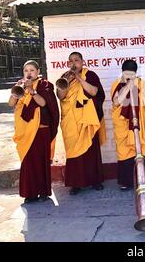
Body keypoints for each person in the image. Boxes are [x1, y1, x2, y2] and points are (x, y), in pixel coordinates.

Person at [56, 52, 106, 195]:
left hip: (87, 120)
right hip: (71, 120)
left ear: (82, 62)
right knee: (73, 152)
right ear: (67, 63)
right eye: (70, 61)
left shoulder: (90, 75)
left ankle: (95, 181)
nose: (74, 63)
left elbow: (95, 92)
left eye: (76, 60)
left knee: (91, 151)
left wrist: (79, 78)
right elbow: (61, 96)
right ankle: (76, 184)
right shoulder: (64, 77)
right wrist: (68, 81)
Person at [9, 60, 59, 203]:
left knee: (42, 162)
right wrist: (18, 90)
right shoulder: (20, 85)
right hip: (25, 131)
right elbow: (11, 103)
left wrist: (32, 91)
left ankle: (43, 192)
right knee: (28, 163)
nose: (29, 73)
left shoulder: (45, 85)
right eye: (26, 70)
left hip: (41, 129)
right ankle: (30, 194)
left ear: (37, 72)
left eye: (32, 70)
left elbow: (43, 103)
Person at [110, 59, 145, 190]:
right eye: (127, 74)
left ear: (135, 72)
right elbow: (117, 102)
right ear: (122, 72)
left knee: (139, 149)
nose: (129, 77)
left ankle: (141, 180)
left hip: (137, 123)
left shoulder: (141, 84)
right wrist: (128, 85)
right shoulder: (117, 84)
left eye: (132, 74)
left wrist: (135, 85)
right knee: (124, 153)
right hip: (123, 124)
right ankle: (126, 182)